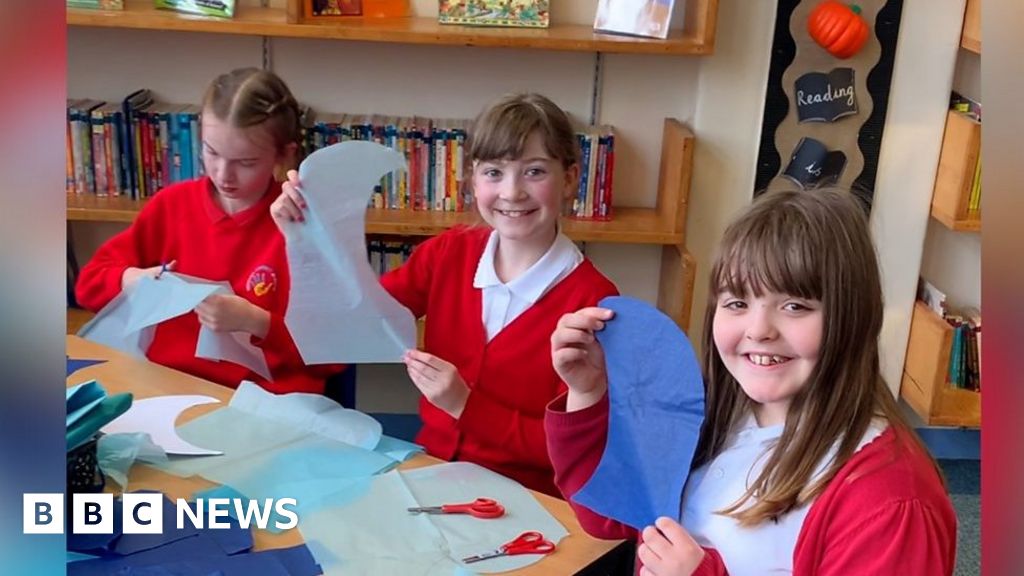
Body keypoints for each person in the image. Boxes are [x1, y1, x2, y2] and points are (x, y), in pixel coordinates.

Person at [545, 188, 957, 574]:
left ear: (852, 318)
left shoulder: (889, 500)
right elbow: (609, 517)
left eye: (795, 306)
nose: (759, 329)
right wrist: (590, 392)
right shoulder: (714, 411)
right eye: (737, 302)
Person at [271, 93, 618, 495]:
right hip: (430, 472)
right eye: (493, 173)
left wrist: (465, 407)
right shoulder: (449, 253)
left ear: (571, 178)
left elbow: (576, 452)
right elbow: (354, 322)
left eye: (534, 171)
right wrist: (305, 238)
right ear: (472, 177)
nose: (512, 192)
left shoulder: (596, 305)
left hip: (531, 502)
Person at [76, 68, 341, 395]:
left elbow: (334, 356)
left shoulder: (304, 225)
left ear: (284, 154)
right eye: (211, 152)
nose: (223, 174)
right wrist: (131, 281)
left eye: (245, 162)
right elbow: (88, 285)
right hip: (169, 387)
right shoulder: (172, 206)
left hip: (265, 402)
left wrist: (257, 322)